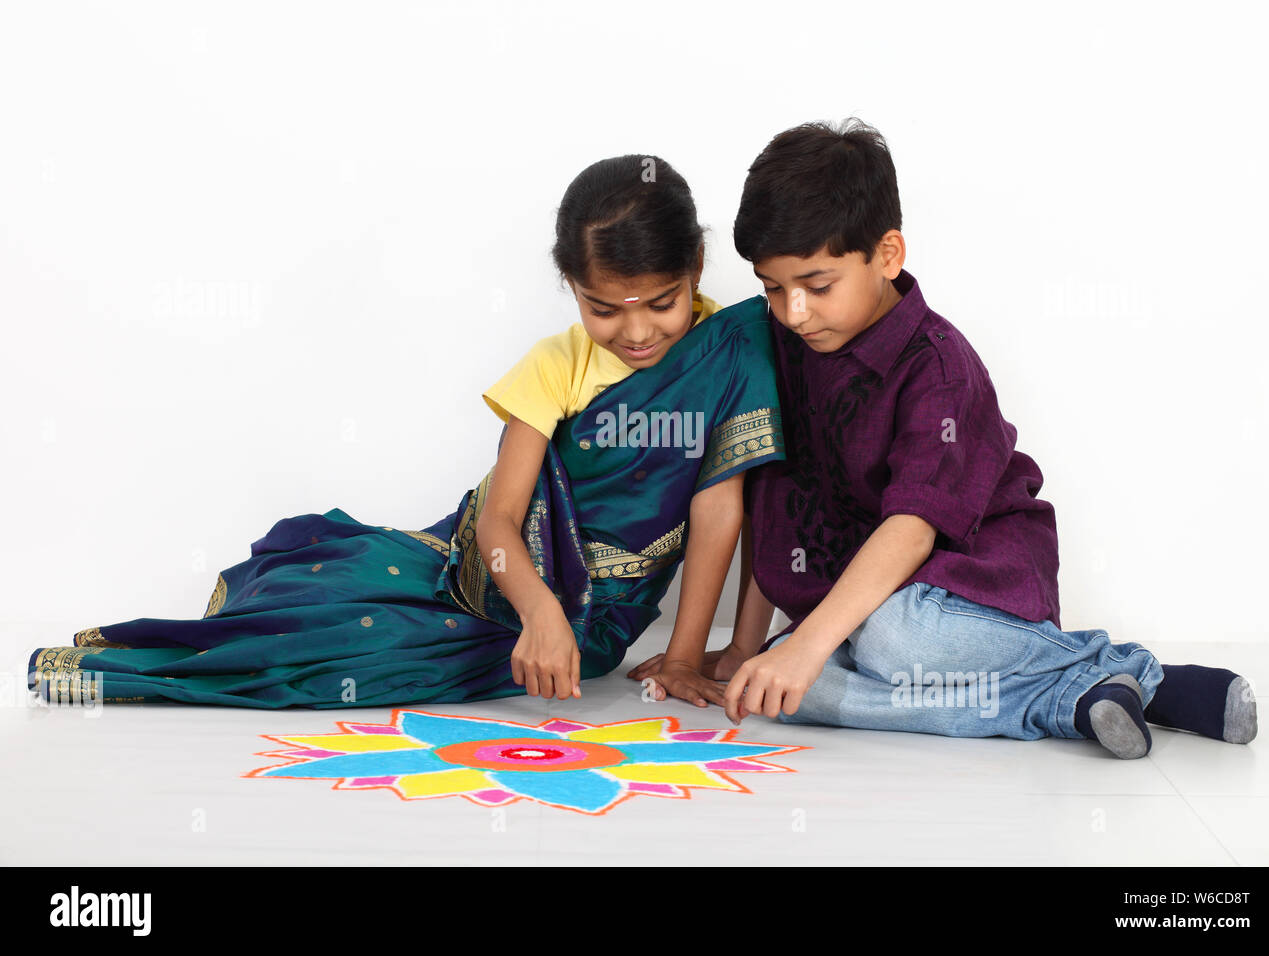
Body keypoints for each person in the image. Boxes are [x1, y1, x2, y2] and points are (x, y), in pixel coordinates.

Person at [28, 154, 784, 709]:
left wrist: (684, 658)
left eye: (660, 302)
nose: (636, 330)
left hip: (600, 621)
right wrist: (541, 610)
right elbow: (497, 518)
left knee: (403, 656)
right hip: (500, 579)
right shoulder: (555, 366)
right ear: (570, 288)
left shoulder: (730, 351)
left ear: (697, 267)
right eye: (603, 308)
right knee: (350, 644)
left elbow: (718, 507)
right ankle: (123, 664)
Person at [637, 120, 1257, 759]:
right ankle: (1070, 699)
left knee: (889, 640)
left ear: (887, 254)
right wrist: (751, 650)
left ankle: (1128, 668)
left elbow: (911, 529)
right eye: (772, 288)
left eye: (818, 287)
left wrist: (806, 642)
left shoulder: (938, 366)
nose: (794, 311)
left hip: (970, 589)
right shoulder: (780, 344)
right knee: (789, 692)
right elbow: (779, 504)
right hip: (861, 599)